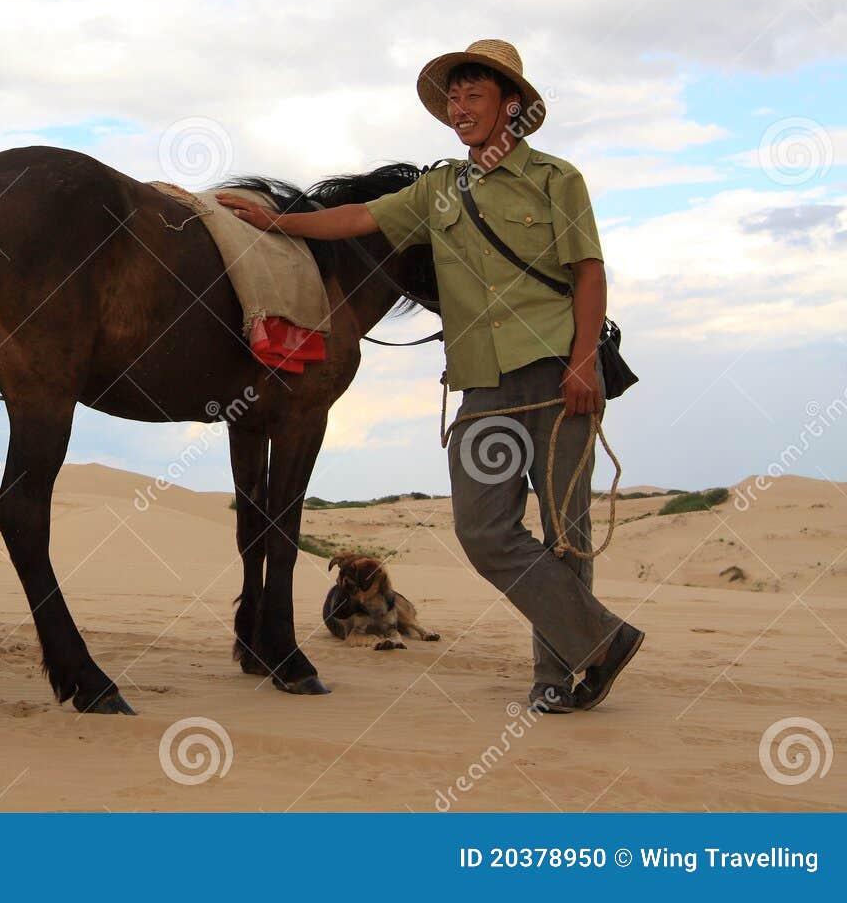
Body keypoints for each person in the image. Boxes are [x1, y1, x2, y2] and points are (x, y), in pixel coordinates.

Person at [217, 40, 643, 712]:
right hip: (481, 383)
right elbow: (357, 217)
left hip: (560, 374)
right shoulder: (438, 189)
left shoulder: (559, 179)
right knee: (481, 529)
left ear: (511, 108)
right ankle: (603, 639)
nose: (459, 107)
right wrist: (278, 219)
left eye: (474, 95)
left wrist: (586, 359)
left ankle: (558, 676)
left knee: (566, 534)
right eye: (454, 97)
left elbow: (589, 272)